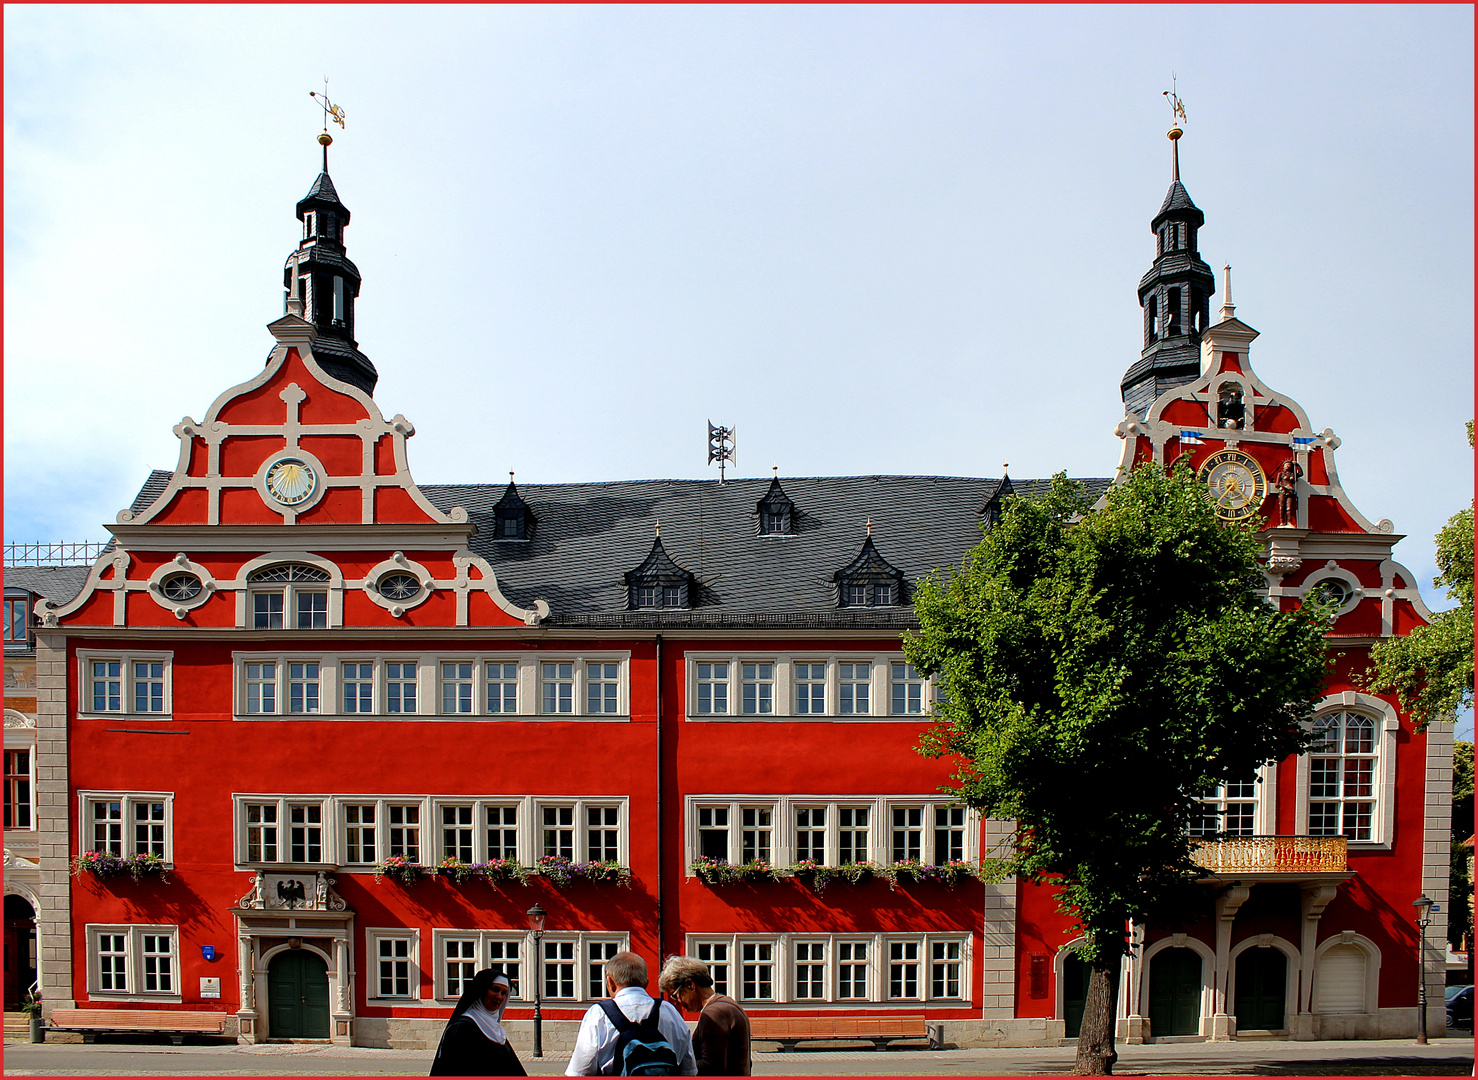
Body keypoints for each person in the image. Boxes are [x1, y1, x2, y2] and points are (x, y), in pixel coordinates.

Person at [565, 950, 697, 1076]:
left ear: (611, 982)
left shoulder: (599, 1014)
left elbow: (580, 1071)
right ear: (646, 983)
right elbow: (689, 1070)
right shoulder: (669, 1011)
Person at [658, 956, 751, 1076]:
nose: (676, 1002)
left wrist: (675, 1065)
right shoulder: (728, 1004)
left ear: (690, 984)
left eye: (675, 996)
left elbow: (711, 1068)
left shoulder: (714, 1014)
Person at [430, 969, 527, 1076]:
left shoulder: (495, 1028)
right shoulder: (462, 1028)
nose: (499, 996)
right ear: (482, 990)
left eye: (504, 993)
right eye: (495, 989)